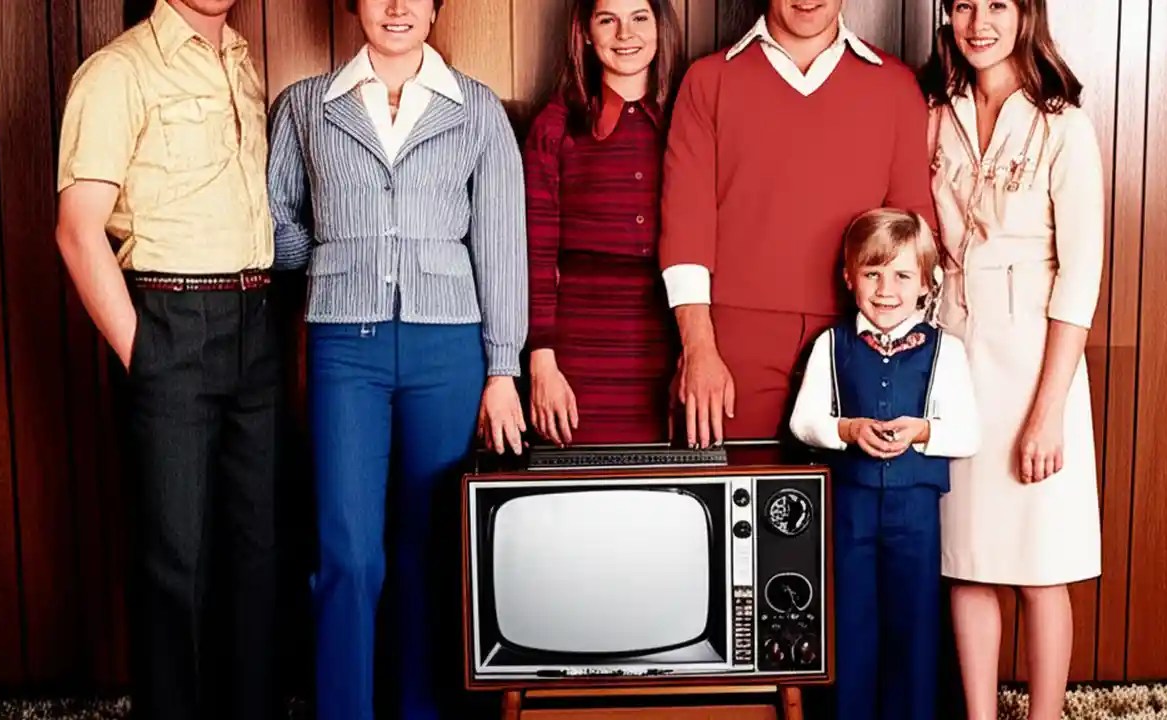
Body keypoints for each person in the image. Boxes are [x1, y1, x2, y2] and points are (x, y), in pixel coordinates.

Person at [266, 0, 527, 715]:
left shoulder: (475, 110)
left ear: (438, 8)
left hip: (449, 349)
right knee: (348, 554)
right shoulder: (306, 106)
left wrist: (503, 367)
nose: (398, 7)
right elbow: (277, 218)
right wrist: (332, 255)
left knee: (428, 549)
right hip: (344, 348)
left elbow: (501, 245)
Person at [54, 0, 278, 718]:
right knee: (175, 566)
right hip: (171, 321)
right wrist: (145, 354)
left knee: (256, 558)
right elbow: (77, 231)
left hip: (257, 320)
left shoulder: (241, 66)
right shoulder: (117, 71)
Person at [919, 0, 1105, 718]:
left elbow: (1079, 277)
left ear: (1027, 15)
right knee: (968, 561)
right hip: (956, 362)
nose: (979, 22)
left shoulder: (1065, 125)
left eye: (997, 4)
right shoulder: (935, 113)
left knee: (1038, 565)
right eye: (965, 4)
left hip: (1037, 365)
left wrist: (1048, 412)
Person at [658, 0, 938, 449]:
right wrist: (699, 349)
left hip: (860, 336)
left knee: (853, 511)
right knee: (736, 500)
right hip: (733, 344)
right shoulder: (710, 81)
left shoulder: (895, 85)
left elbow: (914, 229)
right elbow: (685, 225)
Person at [790, 209, 979, 720]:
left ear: (926, 284)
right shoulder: (831, 346)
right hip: (849, 512)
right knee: (851, 624)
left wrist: (923, 430)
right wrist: (847, 429)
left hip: (916, 514)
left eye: (901, 275)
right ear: (849, 278)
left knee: (915, 626)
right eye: (872, 274)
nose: (885, 289)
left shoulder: (947, 352)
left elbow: (969, 433)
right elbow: (803, 422)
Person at [523, 0, 684, 446]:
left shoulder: (687, 121)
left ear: (660, 27)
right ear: (586, 34)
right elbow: (534, 253)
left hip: (668, 340)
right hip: (578, 345)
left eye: (639, 18)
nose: (624, 34)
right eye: (607, 20)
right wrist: (542, 360)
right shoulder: (555, 126)